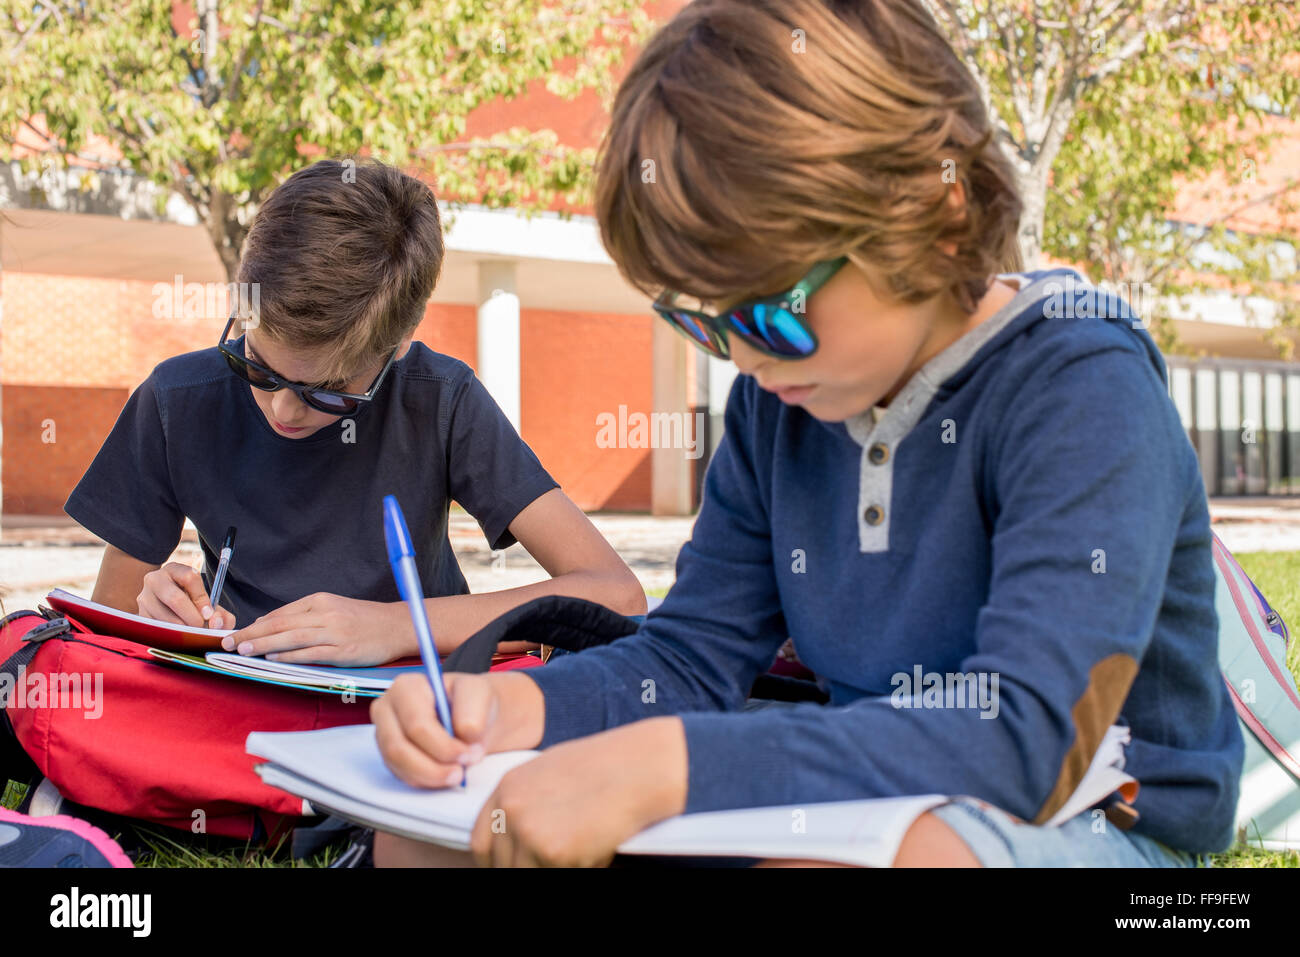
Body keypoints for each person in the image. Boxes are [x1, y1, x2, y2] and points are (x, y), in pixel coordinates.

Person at [369, 0, 1242, 866]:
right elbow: (690, 656)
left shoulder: (1080, 386)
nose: (745, 358)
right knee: (430, 836)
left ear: (931, 222)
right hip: (867, 785)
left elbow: (1027, 734)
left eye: (771, 313)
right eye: (705, 323)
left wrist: (672, 767)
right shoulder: (781, 401)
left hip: (1095, 819)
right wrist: (514, 711)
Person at [66, 160, 645, 666]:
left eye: (328, 391)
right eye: (259, 370)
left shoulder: (440, 400)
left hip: (410, 702)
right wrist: (159, 616)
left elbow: (614, 592)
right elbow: (105, 630)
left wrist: (394, 627)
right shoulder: (178, 400)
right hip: (243, 696)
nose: (284, 409)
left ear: (400, 343)